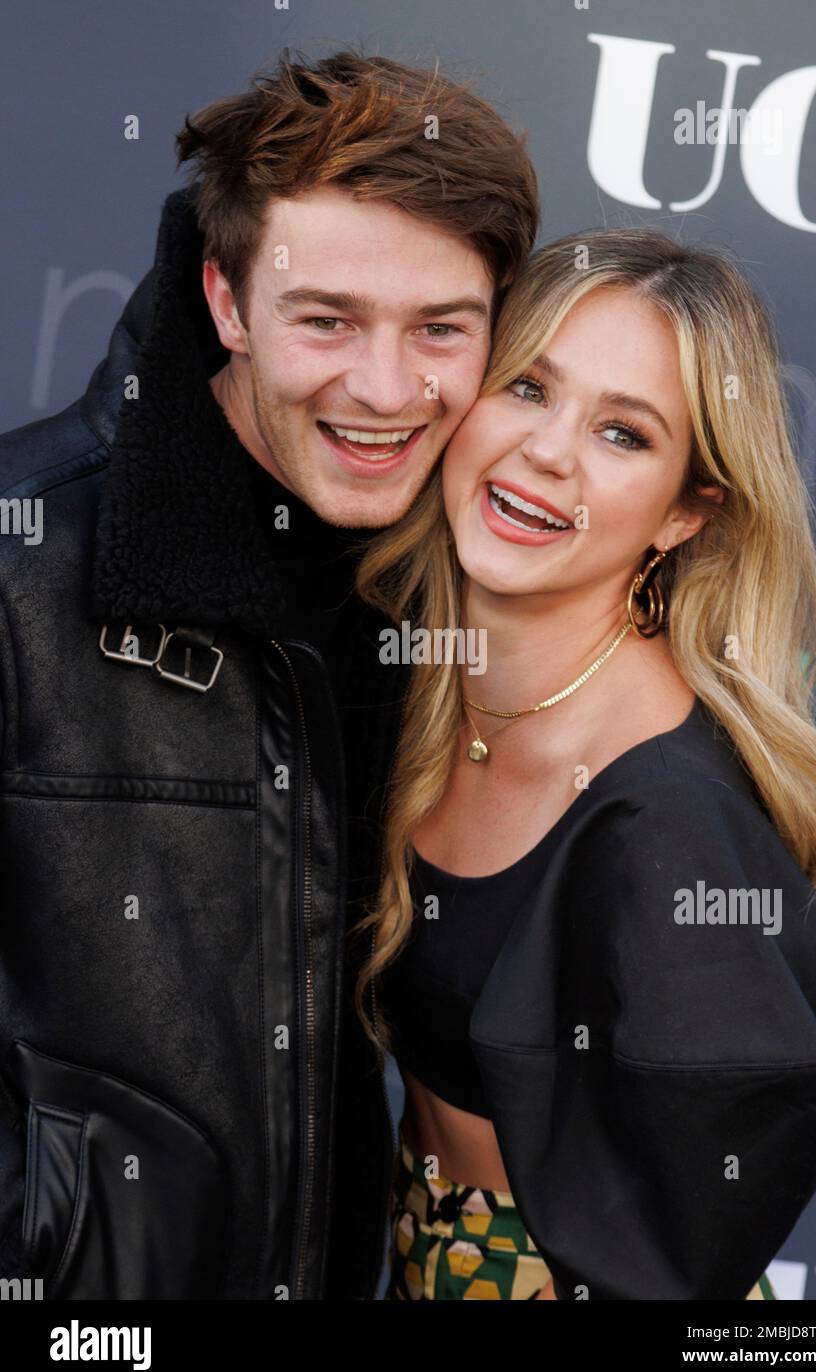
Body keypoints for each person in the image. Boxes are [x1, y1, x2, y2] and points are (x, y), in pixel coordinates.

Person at [0, 48, 539, 1298]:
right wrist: (70, 1256)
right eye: (327, 320)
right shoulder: (21, 566)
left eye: (441, 330)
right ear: (228, 302)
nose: (387, 390)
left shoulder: (472, 583)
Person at [351, 228, 816, 1301]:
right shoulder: (401, 675)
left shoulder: (672, 816)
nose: (548, 451)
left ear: (684, 512)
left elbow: (749, 1142)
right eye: (528, 386)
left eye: (622, 433)